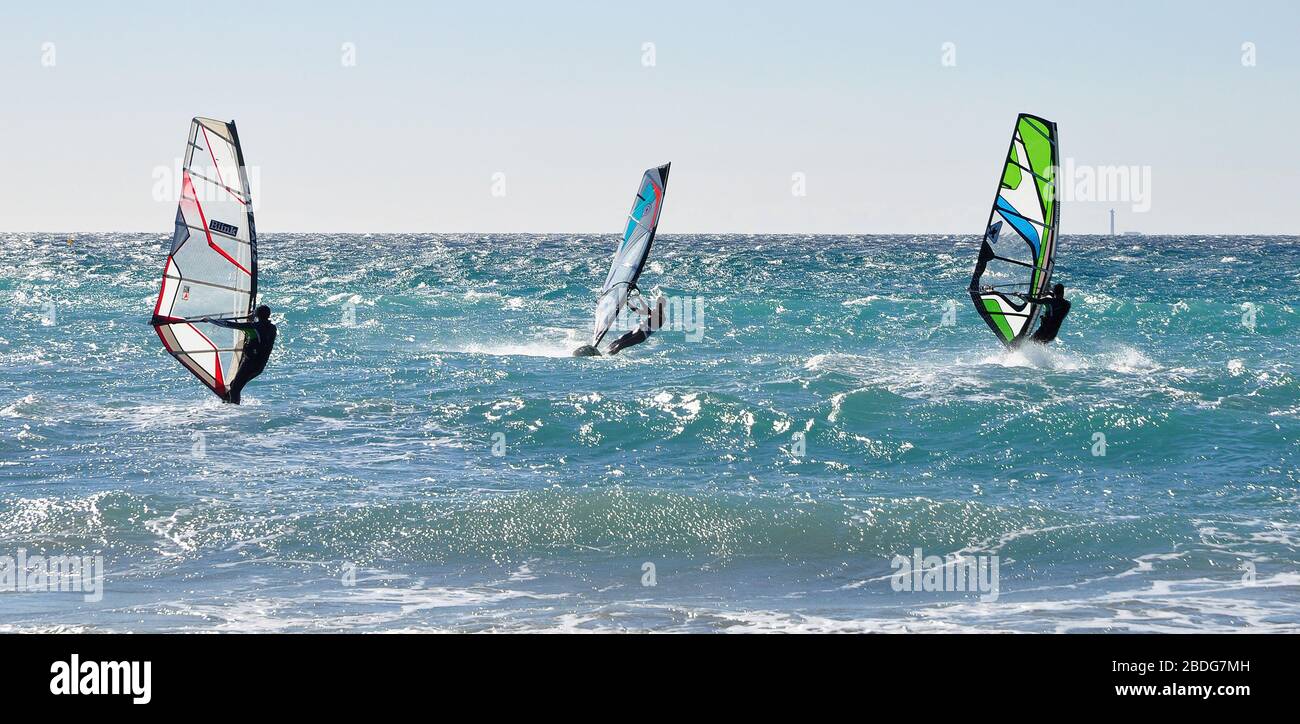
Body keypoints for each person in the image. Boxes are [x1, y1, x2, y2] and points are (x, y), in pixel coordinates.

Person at [210, 305, 277, 404]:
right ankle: (228, 405)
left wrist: (209, 320)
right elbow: (259, 333)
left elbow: (229, 324)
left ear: (257, 314)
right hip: (259, 366)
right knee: (234, 385)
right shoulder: (272, 328)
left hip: (250, 364)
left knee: (234, 389)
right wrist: (254, 318)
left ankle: (234, 412)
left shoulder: (253, 327)